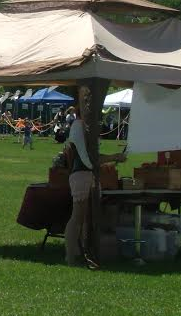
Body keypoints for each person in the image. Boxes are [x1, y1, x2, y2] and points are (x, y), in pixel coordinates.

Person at [65, 113, 126, 268]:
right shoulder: (81, 129)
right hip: (81, 176)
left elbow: (93, 158)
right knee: (77, 218)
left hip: (85, 175)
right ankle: (70, 257)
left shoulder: (83, 130)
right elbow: (92, 159)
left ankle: (80, 253)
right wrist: (115, 156)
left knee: (84, 219)